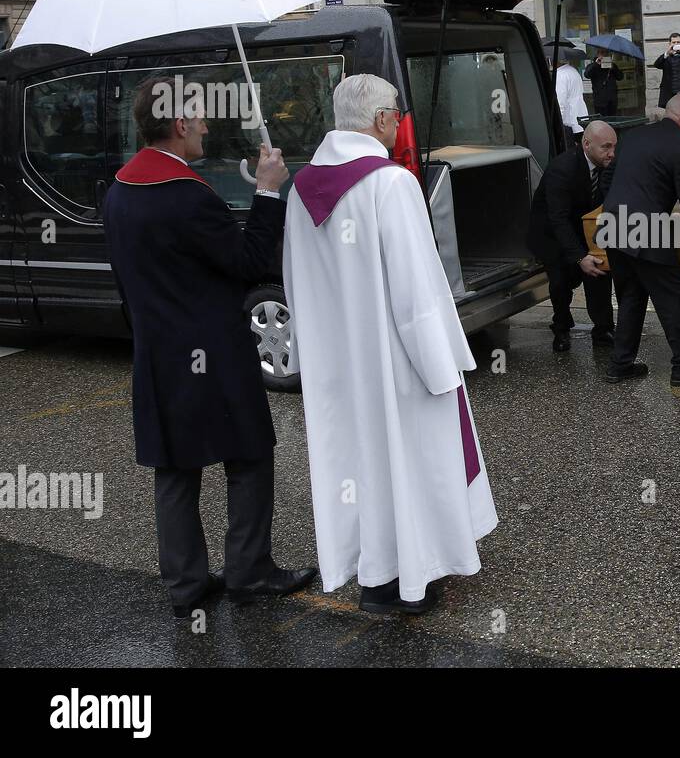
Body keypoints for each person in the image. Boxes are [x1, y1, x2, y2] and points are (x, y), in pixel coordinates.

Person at [283, 74, 498, 616]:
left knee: (360, 468)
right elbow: (417, 289)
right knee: (411, 463)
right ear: (382, 121)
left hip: (341, 365)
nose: (399, 122)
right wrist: (442, 363)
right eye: (396, 113)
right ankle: (414, 579)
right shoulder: (390, 184)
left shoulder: (301, 187)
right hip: (399, 363)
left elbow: (294, 283)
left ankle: (375, 577)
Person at [103, 77, 316, 620]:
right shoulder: (188, 195)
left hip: (157, 354)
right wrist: (268, 191)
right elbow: (246, 264)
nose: (204, 126)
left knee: (175, 468)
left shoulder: (120, 190)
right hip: (214, 352)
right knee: (249, 456)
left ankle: (187, 584)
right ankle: (249, 572)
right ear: (178, 125)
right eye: (197, 119)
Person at [602, 93, 680, 386]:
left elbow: (609, 179)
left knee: (631, 297)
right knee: (674, 299)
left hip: (613, 226)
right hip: (647, 231)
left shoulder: (633, 135)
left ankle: (620, 364)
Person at [527, 119, 618, 352]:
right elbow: (558, 218)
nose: (612, 153)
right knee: (560, 280)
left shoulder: (609, 164)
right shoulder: (562, 169)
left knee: (599, 271)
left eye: (614, 147)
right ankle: (561, 327)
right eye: (606, 147)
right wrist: (580, 257)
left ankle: (604, 329)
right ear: (586, 144)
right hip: (551, 232)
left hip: (585, 227)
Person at [553, 55, 588, 145]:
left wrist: (558, 122)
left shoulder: (560, 75)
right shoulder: (573, 70)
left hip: (569, 122)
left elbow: (560, 101)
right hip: (581, 117)